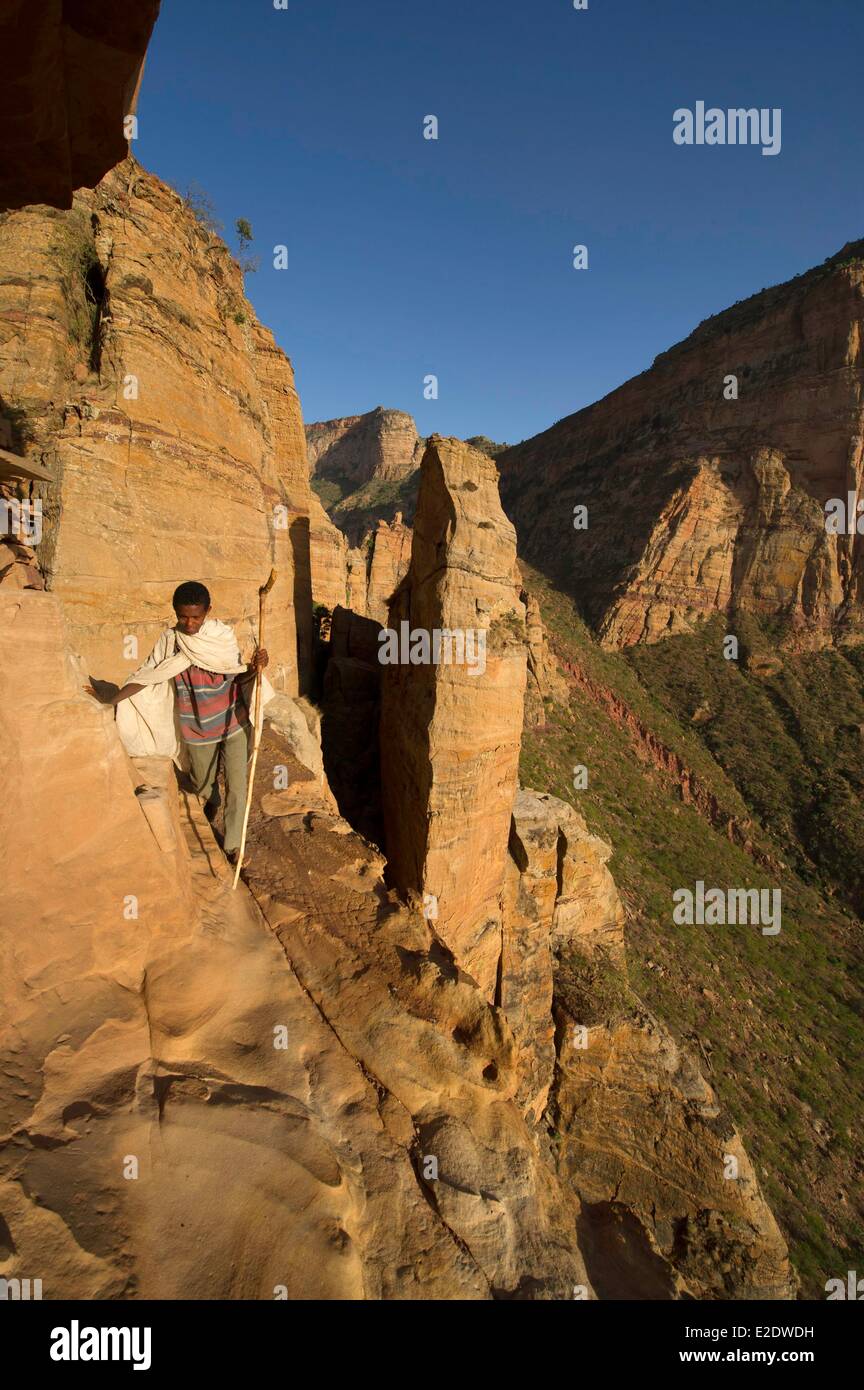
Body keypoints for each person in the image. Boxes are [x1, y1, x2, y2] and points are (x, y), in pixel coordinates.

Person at [85, 581, 269, 864]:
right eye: (183, 616)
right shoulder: (170, 641)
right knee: (202, 784)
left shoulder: (220, 637)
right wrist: (111, 702)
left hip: (234, 722)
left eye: (196, 616)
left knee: (239, 787)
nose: (190, 623)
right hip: (197, 726)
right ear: (175, 613)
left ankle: (233, 847)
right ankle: (213, 800)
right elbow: (147, 675)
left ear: (208, 611)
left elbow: (237, 674)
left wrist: (256, 669)